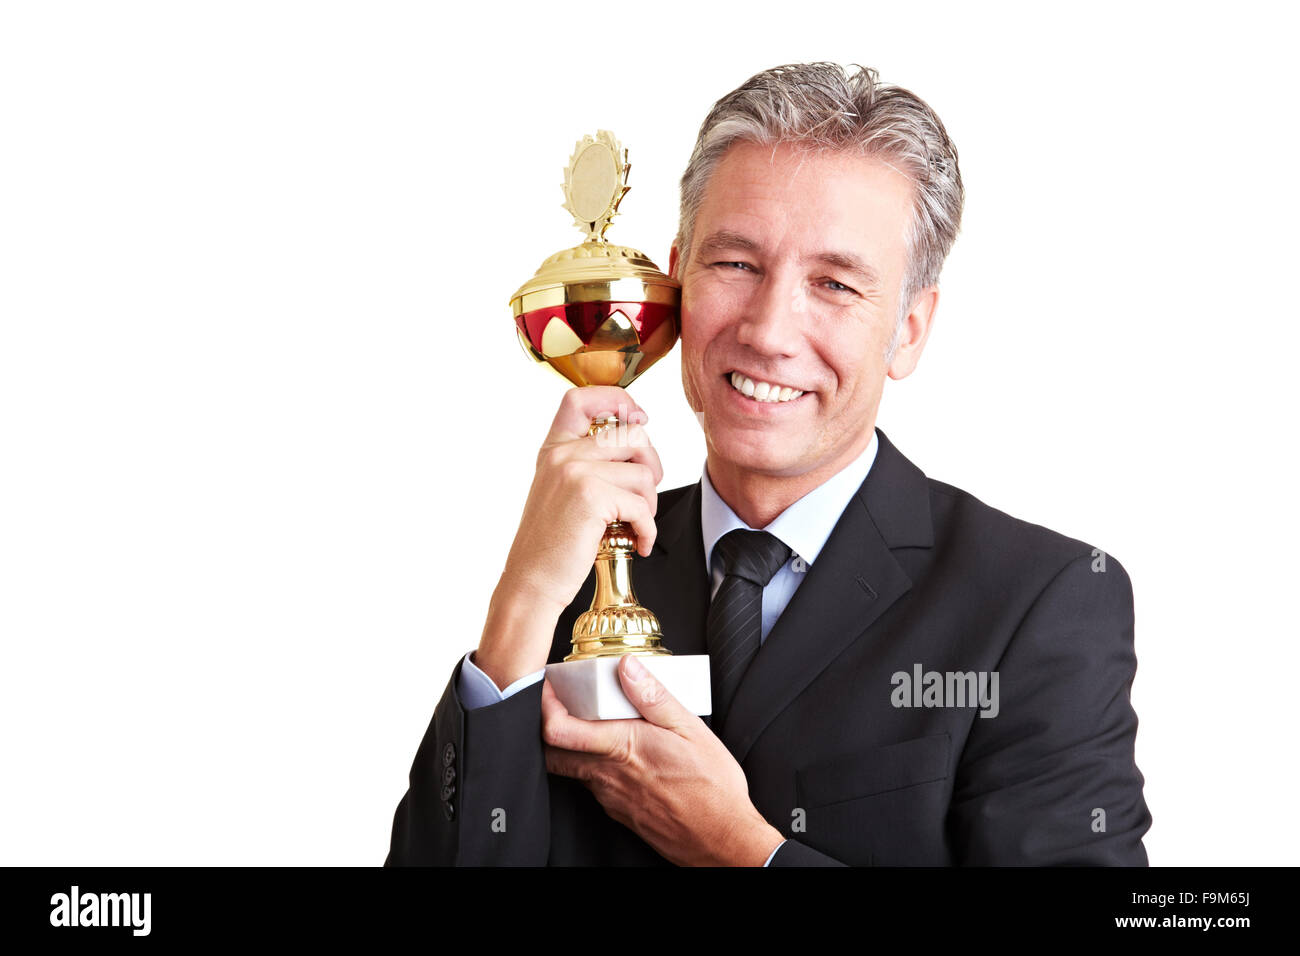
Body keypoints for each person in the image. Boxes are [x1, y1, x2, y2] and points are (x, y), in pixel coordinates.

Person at [384, 62, 1152, 866]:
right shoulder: (569, 573)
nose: (770, 330)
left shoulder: (1039, 603)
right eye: (736, 265)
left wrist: (746, 852)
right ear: (675, 278)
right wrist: (523, 600)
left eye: (835, 283)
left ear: (911, 329)